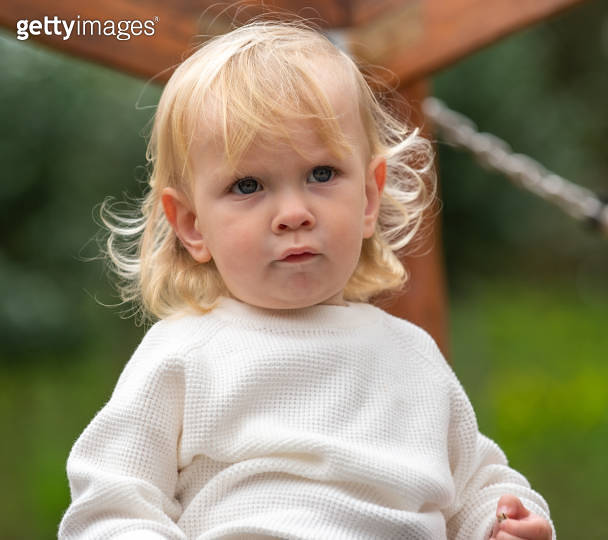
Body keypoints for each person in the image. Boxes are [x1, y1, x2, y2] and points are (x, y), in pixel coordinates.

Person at [59, 20, 554, 540]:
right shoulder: (184, 354)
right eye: (248, 185)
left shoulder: (411, 354)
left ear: (368, 197)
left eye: (321, 174)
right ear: (191, 224)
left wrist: (501, 522)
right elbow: (112, 505)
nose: (293, 213)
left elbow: (477, 483)